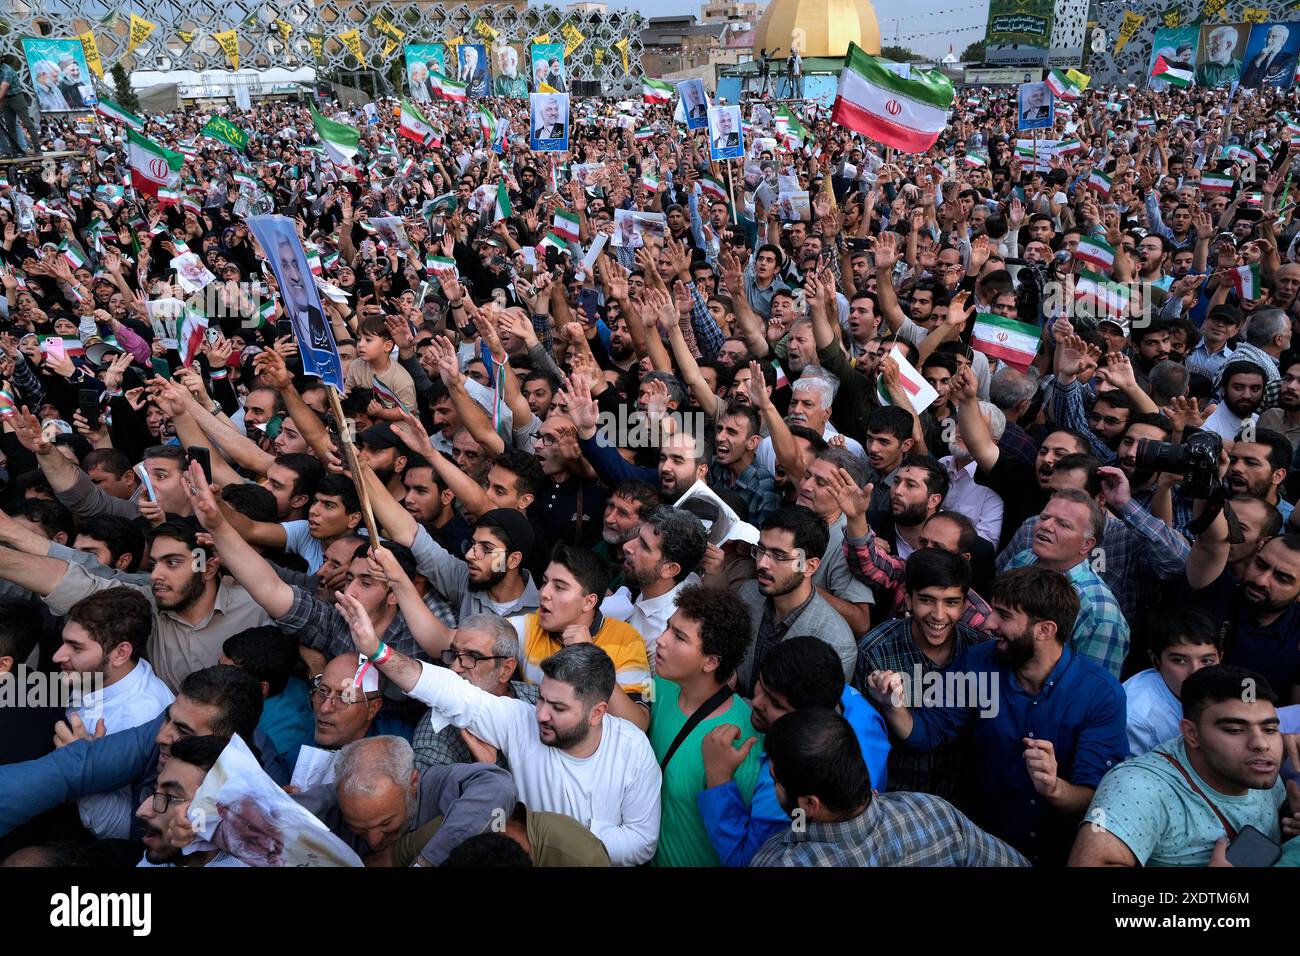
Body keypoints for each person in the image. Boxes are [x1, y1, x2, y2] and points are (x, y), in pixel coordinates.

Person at [336, 599, 661, 867]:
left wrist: (562, 832)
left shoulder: (633, 749)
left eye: (558, 709)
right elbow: (448, 690)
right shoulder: (521, 720)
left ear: (597, 713)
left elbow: (641, 843)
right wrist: (378, 651)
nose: (542, 713)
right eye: (542, 699)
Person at [866, 567, 1128, 865]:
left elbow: (1097, 797)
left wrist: (1055, 788)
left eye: (1003, 616)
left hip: (1058, 852)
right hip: (982, 846)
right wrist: (893, 706)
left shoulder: (1101, 695)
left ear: (1045, 630)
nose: (989, 623)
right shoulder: (979, 663)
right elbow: (930, 732)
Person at [1070, 666, 1297, 866]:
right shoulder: (1138, 787)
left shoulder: (1257, 766)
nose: (1260, 744)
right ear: (1191, 733)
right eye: (1235, 730)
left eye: (1270, 730)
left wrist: (1292, 821)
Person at [751, 708, 1029, 867]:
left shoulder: (778, 860)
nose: (774, 787)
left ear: (811, 804)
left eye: (776, 780)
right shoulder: (932, 812)